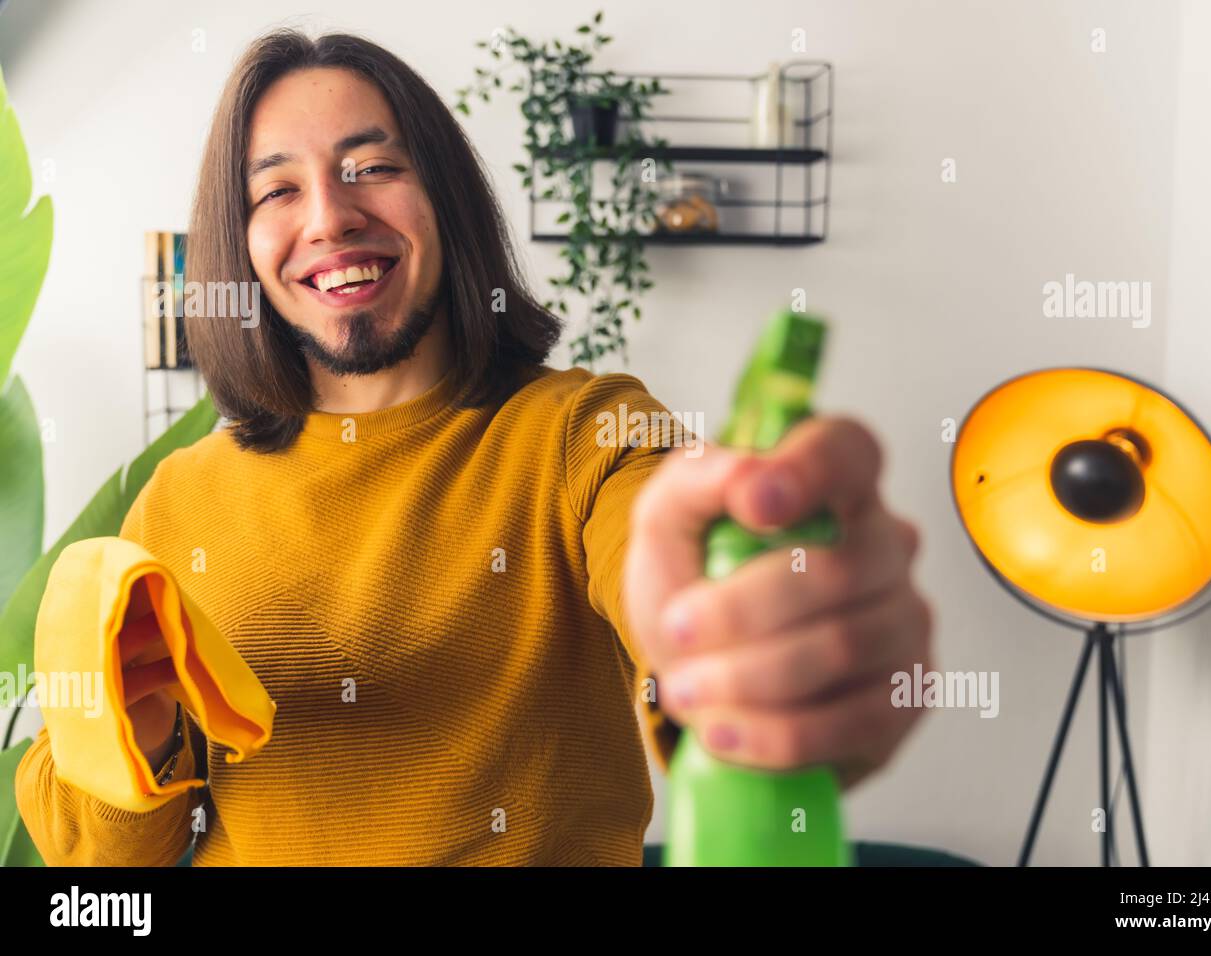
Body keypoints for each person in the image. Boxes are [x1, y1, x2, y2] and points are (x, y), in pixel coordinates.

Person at [16, 29, 931, 866]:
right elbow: (94, 871)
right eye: (278, 189)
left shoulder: (586, 433)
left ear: (446, 199)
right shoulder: (177, 501)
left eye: (372, 166)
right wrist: (142, 735)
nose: (329, 217)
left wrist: (741, 615)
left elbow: (666, 539)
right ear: (242, 244)